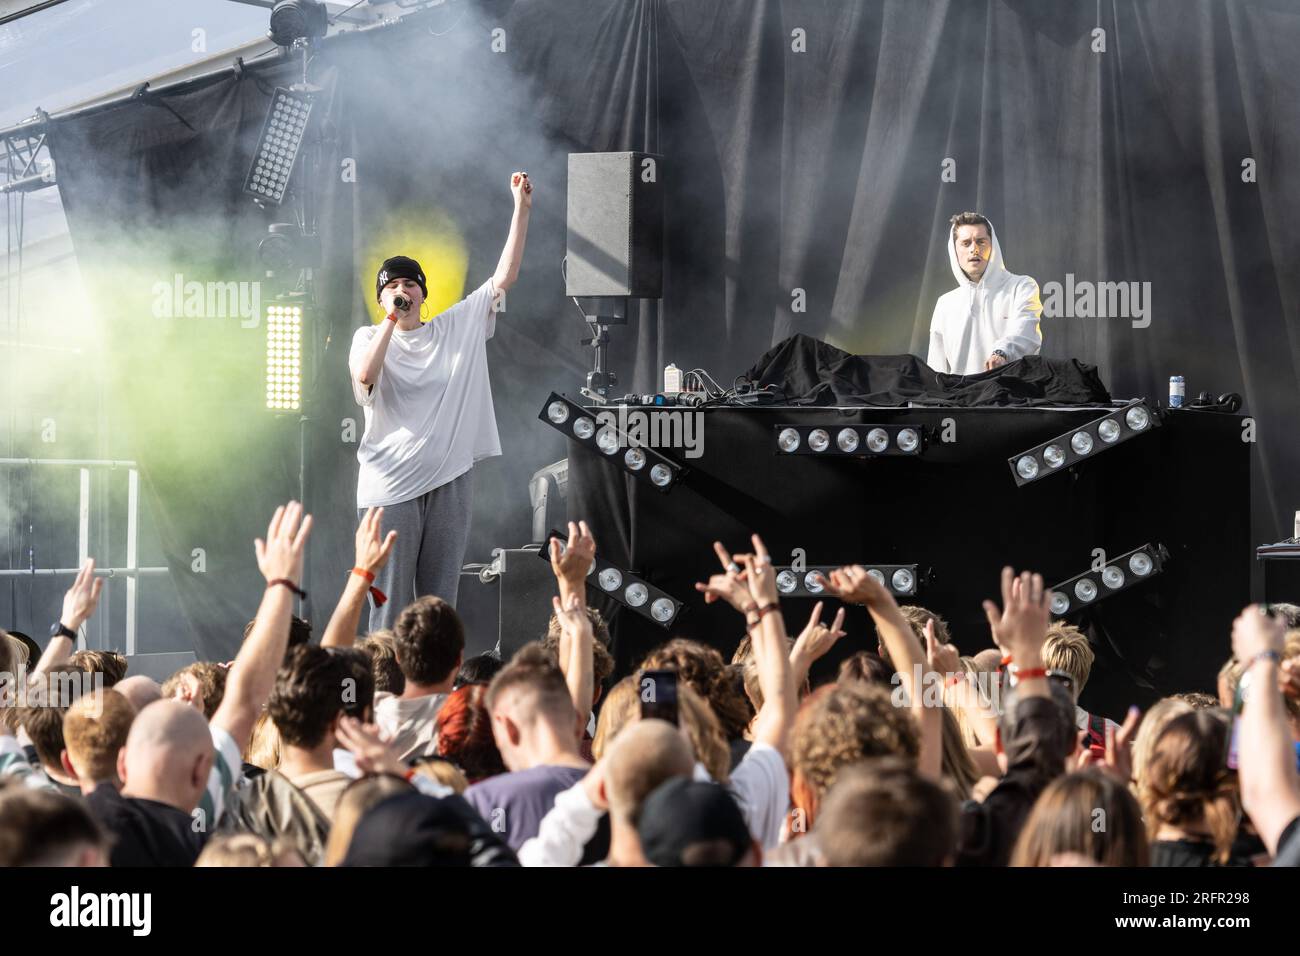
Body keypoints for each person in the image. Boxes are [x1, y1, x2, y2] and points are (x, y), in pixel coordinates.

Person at [348, 172, 532, 628]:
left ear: (424, 293)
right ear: (380, 298)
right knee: (388, 610)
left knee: (438, 608)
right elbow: (366, 376)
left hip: (449, 477)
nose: (402, 291)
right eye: (392, 287)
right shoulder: (369, 336)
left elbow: (504, 277)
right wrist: (390, 322)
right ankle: (386, 694)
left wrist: (521, 208)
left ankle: (435, 693)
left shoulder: (456, 326)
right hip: (388, 487)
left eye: (410, 285)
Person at [926, 211, 1042, 374]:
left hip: (1011, 395)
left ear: (992, 245)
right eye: (966, 243)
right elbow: (936, 366)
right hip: (960, 396)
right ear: (954, 250)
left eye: (981, 242)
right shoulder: (945, 303)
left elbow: (1025, 329)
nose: (974, 249)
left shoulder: (1022, 286)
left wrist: (1002, 352)